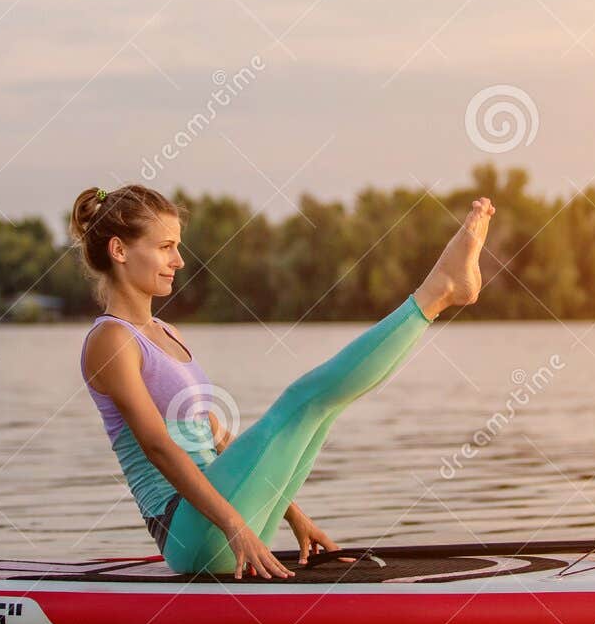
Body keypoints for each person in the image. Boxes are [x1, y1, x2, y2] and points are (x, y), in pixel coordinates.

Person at [74, 184, 494, 579]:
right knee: (303, 399)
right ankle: (436, 293)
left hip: (219, 517)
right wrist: (236, 527)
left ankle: (437, 301)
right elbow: (158, 447)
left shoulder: (168, 333)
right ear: (119, 250)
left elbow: (218, 441)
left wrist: (293, 515)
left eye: (178, 247)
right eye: (165, 247)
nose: (179, 260)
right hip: (190, 531)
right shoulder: (110, 340)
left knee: (323, 410)